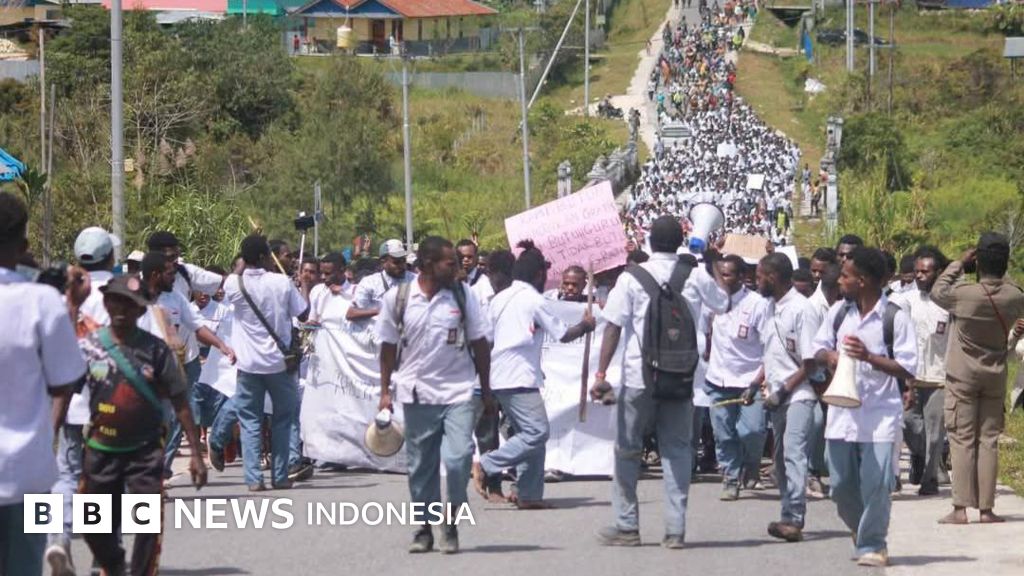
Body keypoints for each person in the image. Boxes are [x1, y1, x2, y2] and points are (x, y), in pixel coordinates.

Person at [590, 215, 729, 548]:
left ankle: (627, 526)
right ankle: (675, 530)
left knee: (627, 451)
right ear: (680, 242)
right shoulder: (694, 276)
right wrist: (710, 261)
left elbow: (613, 326)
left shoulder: (632, 278)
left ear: (649, 243)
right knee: (678, 451)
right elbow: (723, 303)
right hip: (681, 377)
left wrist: (601, 373)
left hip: (640, 376)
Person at [78, 275, 208, 576]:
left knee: (147, 526)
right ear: (107, 303)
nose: (122, 309)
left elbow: (180, 401)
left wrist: (197, 456)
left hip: (145, 452)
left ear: (141, 311)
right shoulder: (90, 347)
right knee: (92, 524)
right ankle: (113, 563)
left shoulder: (157, 350)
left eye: (130, 304)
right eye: (116, 301)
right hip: (100, 450)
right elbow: (61, 392)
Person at [377, 236, 493, 554]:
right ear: (427, 265)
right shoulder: (397, 299)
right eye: (449, 263)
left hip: (459, 393)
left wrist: (487, 390)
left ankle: (451, 520)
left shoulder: (462, 294)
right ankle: (423, 528)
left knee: (457, 461)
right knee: (420, 466)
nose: (456, 268)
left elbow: (481, 343)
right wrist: (385, 391)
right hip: (417, 394)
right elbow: (387, 347)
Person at [471, 242, 595, 509]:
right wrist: (585, 325)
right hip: (519, 377)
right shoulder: (534, 300)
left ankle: (528, 494)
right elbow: (563, 334)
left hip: (500, 376)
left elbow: (486, 339)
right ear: (539, 274)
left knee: (529, 435)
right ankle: (487, 465)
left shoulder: (501, 298)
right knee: (538, 433)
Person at [813, 246, 916, 567]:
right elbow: (817, 348)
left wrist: (869, 357)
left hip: (880, 415)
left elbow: (908, 367)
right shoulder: (838, 313)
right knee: (840, 486)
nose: (838, 280)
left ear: (864, 280)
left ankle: (873, 543)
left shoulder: (894, 317)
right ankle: (861, 527)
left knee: (877, 483)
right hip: (842, 412)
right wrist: (829, 357)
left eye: (845, 275)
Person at [0, 192, 85, 576]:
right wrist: (71, 304)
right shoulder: (41, 302)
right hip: (24, 472)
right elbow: (66, 380)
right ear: (23, 244)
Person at [932, 233, 1024, 524]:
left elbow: (937, 291)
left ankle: (960, 508)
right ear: (1005, 261)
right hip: (995, 374)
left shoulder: (963, 294)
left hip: (962, 376)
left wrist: (959, 263)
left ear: (978, 260)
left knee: (961, 439)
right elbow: (1011, 289)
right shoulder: (1014, 296)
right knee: (988, 441)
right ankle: (986, 509)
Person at [46, 226, 120, 569]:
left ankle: (58, 538)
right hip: (109, 404)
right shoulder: (122, 295)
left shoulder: (61, 298)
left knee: (66, 475)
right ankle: (101, 560)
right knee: (107, 482)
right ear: (111, 257)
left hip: (68, 404)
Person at [223, 235, 309, 491]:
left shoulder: (233, 284)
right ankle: (280, 477)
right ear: (264, 257)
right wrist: (302, 284)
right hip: (280, 365)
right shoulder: (281, 282)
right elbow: (303, 313)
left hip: (248, 365)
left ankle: (253, 479)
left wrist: (246, 265)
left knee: (249, 421)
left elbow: (238, 275)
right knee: (283, 419)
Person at [139, 252, 235, 479]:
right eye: (170, 274)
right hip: (138, 376)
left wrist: (221, 344)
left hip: (169, 374)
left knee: (171, 421)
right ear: (155, 275)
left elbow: (197, 326)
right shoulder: (133, 298)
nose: (175, 278)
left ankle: (159, 473)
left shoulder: (176, 299)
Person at [757, 253, 820, 543]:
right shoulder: (770, 308)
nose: (757, 282)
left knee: (794, 454)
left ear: (773, 277)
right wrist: (754, 384)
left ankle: (794, 517)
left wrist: (784, 389)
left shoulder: (802, 309)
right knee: (780, 460)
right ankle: (787, 513)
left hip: (799, 395)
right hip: (775, 397)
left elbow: (810, 363)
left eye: (759, 277)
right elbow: (773, 356)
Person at [703, 254, 768, 501]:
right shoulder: (712, 302)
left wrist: (757, 382)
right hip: (717, 381)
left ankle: (751, 465)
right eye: (718, 274)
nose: (721, 279)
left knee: (752, 431)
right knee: (723, 434)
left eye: (727, 274)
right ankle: (730, 478)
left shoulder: (758, 305)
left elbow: (769, 348)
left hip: (750, 383)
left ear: (742, 277)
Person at [891, 246, 952, 496]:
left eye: (925, 272)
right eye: (917, 272)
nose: (919, 276)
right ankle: (918, 456)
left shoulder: (949, 304)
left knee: (936, 435)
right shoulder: (904, 302)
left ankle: (930, 480)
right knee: (908, 425)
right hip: (911, 379)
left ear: (938, 273)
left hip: (939, 378)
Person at [346, 239, 416, 323]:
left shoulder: (415, 280)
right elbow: (351, 313)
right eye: (396, 262)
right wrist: (380, 311)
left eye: (403, 261)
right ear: (383, 262)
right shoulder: (370, 283)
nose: (402, 265)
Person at [146, 231, 223, 302]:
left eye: (177, 255)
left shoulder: (186, 272)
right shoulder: (139, 284)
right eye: (171, 257)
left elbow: (222, 281)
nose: (175, 261)